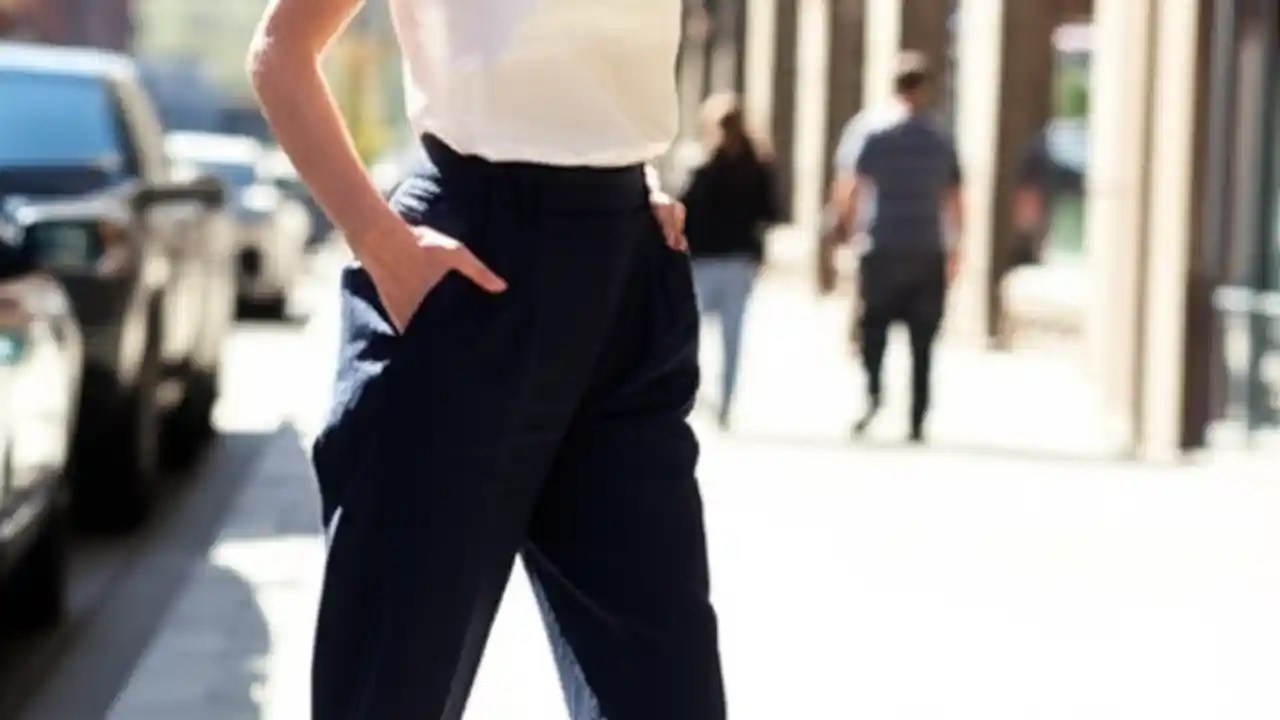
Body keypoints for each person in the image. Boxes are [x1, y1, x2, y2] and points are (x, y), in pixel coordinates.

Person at [246, 2, 726, 718]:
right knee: (391, 687)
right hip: (473, 272)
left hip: (627, 272)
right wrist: (380, 242)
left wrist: (627, 168)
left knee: (665, 693)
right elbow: (281, 50)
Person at [828, 51, 964, 443]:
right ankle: (917, 419)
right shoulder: (940, 136)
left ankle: (873, 397)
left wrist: (847, 233)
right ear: (924, 88)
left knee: (875, 330)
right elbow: (954, 196)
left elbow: (849, 187)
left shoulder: (870, 132)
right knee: (924, 340)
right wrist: (955, 245)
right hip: (926, 247)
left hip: (881, 245)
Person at [683, 93, 779, 430]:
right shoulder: (756, 165)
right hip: (736, 258)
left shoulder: (702, 165)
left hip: (708, 259)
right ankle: (722, 400)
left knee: (691, 334)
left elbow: (686, 211)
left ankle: (704, 396)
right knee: (730, 335)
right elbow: (770, 213)